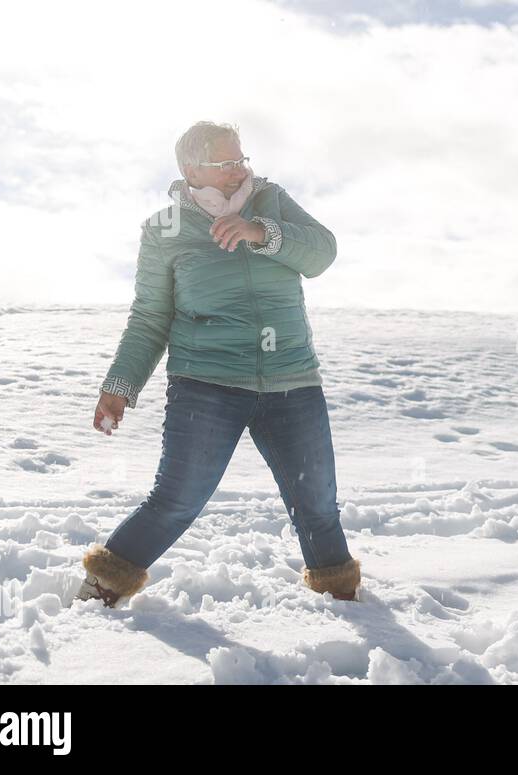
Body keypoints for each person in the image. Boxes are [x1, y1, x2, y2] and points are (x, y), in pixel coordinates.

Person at [75, 121, 360, 607]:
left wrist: (261, 233)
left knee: (317, 504)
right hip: (206, 384)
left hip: (292, 381)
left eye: (241, 160)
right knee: (178, 499)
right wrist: (120, 384)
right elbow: (149, 318)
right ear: (191, 169)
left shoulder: (270, 202)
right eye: (225, 163)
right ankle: (100, 589)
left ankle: (344, 600)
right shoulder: (164, 230)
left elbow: (322, 253)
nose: (238, 172)